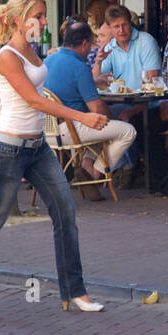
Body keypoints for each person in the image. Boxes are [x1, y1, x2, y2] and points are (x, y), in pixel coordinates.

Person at [0, 0, 109, 312]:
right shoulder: (7, 56)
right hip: (8, 148)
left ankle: (75, 290)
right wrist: (82, 116)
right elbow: (34, 100)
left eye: (44, 15)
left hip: (38, 147)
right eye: (40, 15)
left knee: (65, 213)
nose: (45, 22)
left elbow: (40, 90)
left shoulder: (32, 50)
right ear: (19, 19)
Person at [44, 21, 137, 202]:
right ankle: (94, 174)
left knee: (99, 127)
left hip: (47, 129)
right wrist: (111, 118)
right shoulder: (79, 66)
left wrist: (93, 83)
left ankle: (85, 171)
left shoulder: (49, 60)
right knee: (127, 130)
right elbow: (97, 109)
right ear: (85, 44)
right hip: (71, 129)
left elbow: (63, 86)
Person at [92, 5, 162, 91]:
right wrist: (98, 62)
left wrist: (139, 101)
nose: (121, 30)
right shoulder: (110, 47)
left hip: (146, 101)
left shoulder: (146, 41)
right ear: (110, 28)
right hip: (119, 101)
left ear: (130, 24)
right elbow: (93, 83)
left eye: (124, 25)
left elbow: (152, 81)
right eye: (116, 26)